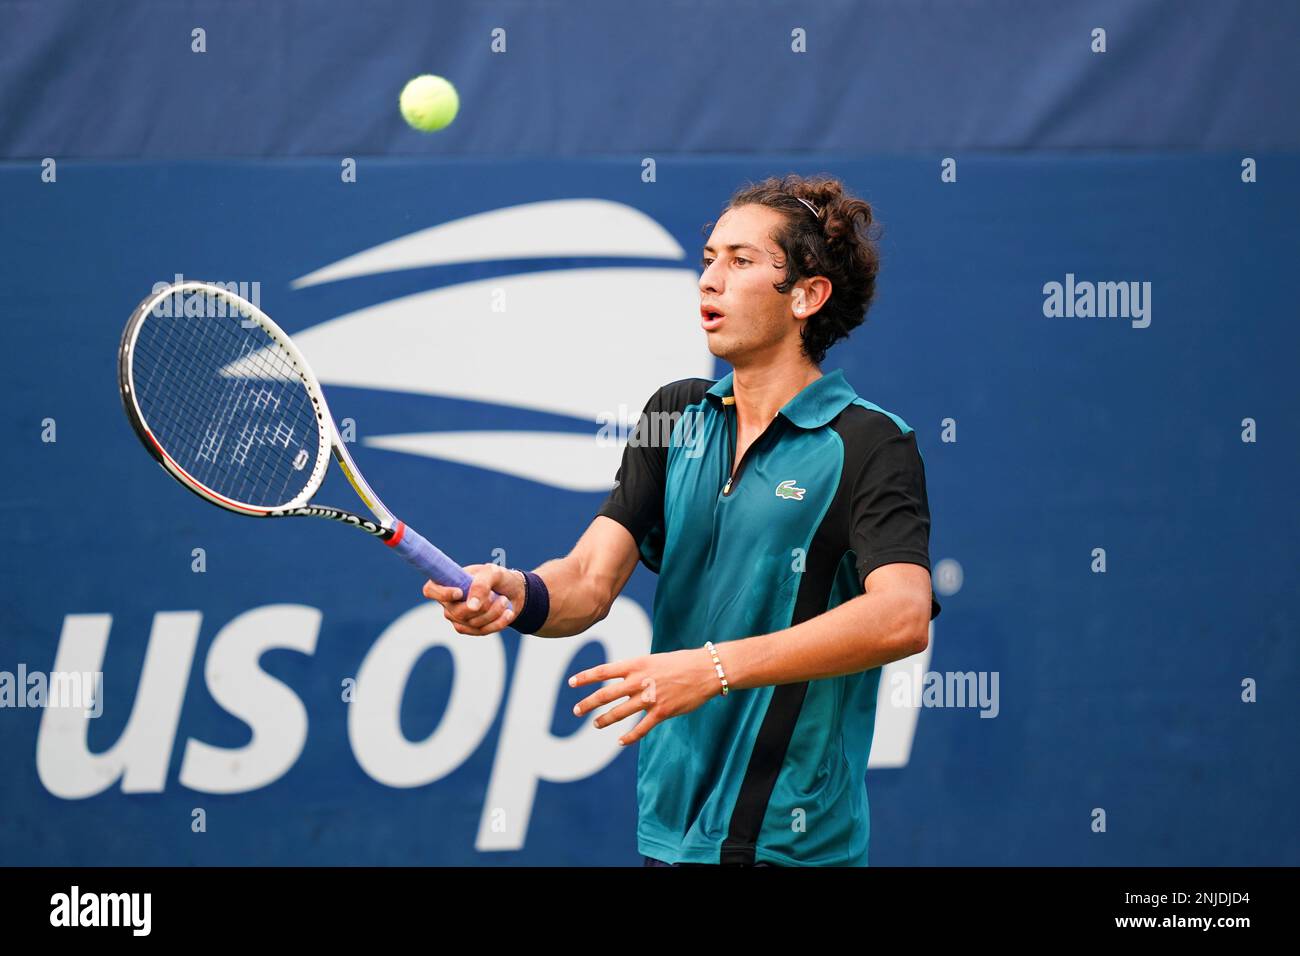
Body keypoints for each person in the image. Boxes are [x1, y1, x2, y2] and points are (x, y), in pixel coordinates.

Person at [423, 173, 941, 866]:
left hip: (792, 837)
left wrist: (713, 669)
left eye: (741, 261)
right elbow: (587, 580)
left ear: (807, 296)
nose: (709, 281)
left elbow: (900, 617)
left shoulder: (870, 443)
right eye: (707, 259)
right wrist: (520, 593)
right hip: (671, 824)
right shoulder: (674, 415)